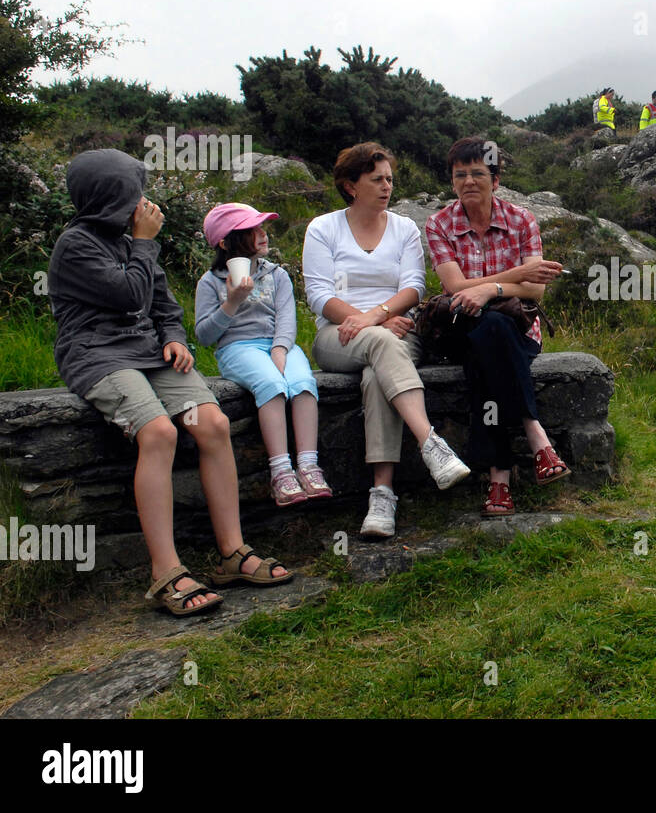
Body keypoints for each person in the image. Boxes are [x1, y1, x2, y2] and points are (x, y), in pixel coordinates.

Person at [47, 149, 291, 617]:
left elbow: (162, 304)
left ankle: (232, 553)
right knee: (158, 432)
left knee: (214, 424)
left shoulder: (131, 241)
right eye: (134, 192)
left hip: (150, 354)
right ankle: (165, 571)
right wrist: (143, 242)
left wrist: (175, 337)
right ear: (110, 195)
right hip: (96, 355)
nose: (144, 202)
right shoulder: (76, 245)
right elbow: (128, 293)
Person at [302, 141, 470, 538]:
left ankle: (382, 495)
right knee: (381, 345)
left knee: (377, 375)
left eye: (390, 179)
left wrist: (378, 316)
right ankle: (430, 442)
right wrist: (367, 323)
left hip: (396, 329)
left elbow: (413, 287)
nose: (386, 186)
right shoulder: (323, 228)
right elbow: (320, 296)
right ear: (350, 185)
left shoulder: (404, 228)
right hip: (337, 336)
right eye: (376, 179)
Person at [424, 136, 571, 516]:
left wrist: (490, 287)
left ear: (496, 178)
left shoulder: (522, 220)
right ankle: (536, 435)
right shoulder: (440, 224)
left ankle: (499, 478)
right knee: (488, 328)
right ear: (452, 181)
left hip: (518, 330)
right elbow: (455, 288)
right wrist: (517, 275)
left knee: (487, 346)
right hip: (460, 328)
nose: (469, 181)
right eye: (461, 175)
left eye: (478, 173)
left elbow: (535, 291)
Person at [195, 202, 332, 508]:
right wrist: (231, 303)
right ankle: (281, 471)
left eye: (261, 227)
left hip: (277, 344)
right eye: (251, 230)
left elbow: (286, 318)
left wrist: (281, 349)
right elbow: (205, 336)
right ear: (225, 242)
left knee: (302, 383)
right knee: (271, 385)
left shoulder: (277, 275)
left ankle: (309, 465)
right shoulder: (210, 282)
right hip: (237, 348)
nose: (262, 235)